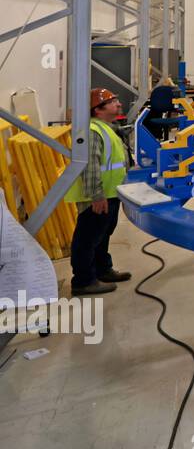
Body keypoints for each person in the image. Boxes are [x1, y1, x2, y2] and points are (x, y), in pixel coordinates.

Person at [65, 88, 134, 296]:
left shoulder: (106, 128)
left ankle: (103, 269)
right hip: (98, 196)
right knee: (87, 238)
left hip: (111, 193)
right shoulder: (92, 131)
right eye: (113, 102)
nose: (119, 104)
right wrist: (96, 195)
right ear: (98, 109)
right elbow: (91, 165)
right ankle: (83, 280)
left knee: (102, 235)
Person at [142, 76, 180, 142]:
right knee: (146, 119)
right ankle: (153, 139)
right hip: (156, 113)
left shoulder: (168, 91)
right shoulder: (159, 91)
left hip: (167, 114)